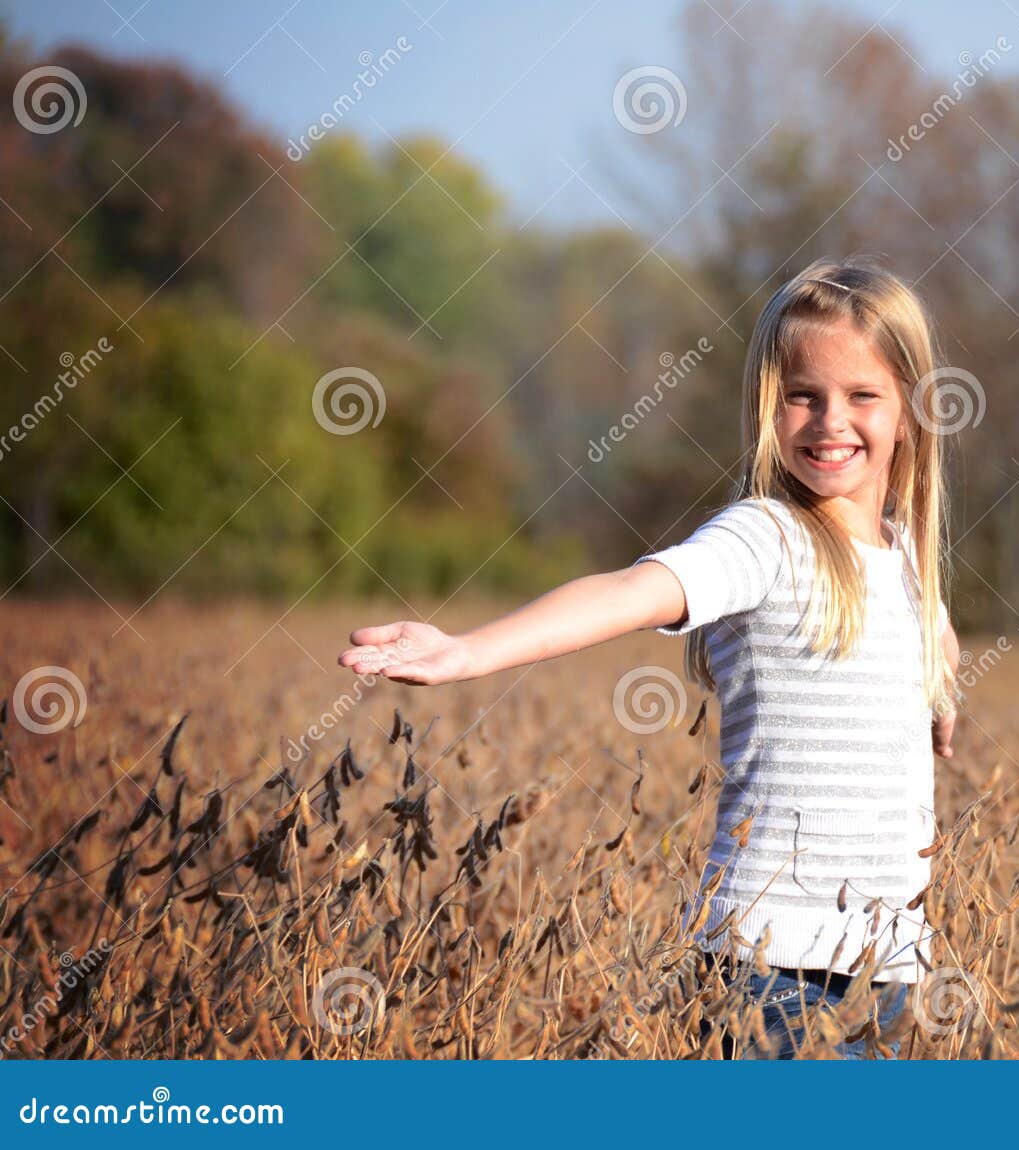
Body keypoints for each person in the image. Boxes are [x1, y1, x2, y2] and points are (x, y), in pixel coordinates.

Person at [339, 255, 962, 1058]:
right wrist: (468, 652)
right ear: (769, 408)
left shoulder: (908, 558)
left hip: (891, 968)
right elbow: (631, 591)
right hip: (771, 967)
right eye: (802, 396)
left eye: (862, 396)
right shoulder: (765, 538)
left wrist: (941, 693)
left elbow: (929, 632)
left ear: (910, 412)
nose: (828, 421)